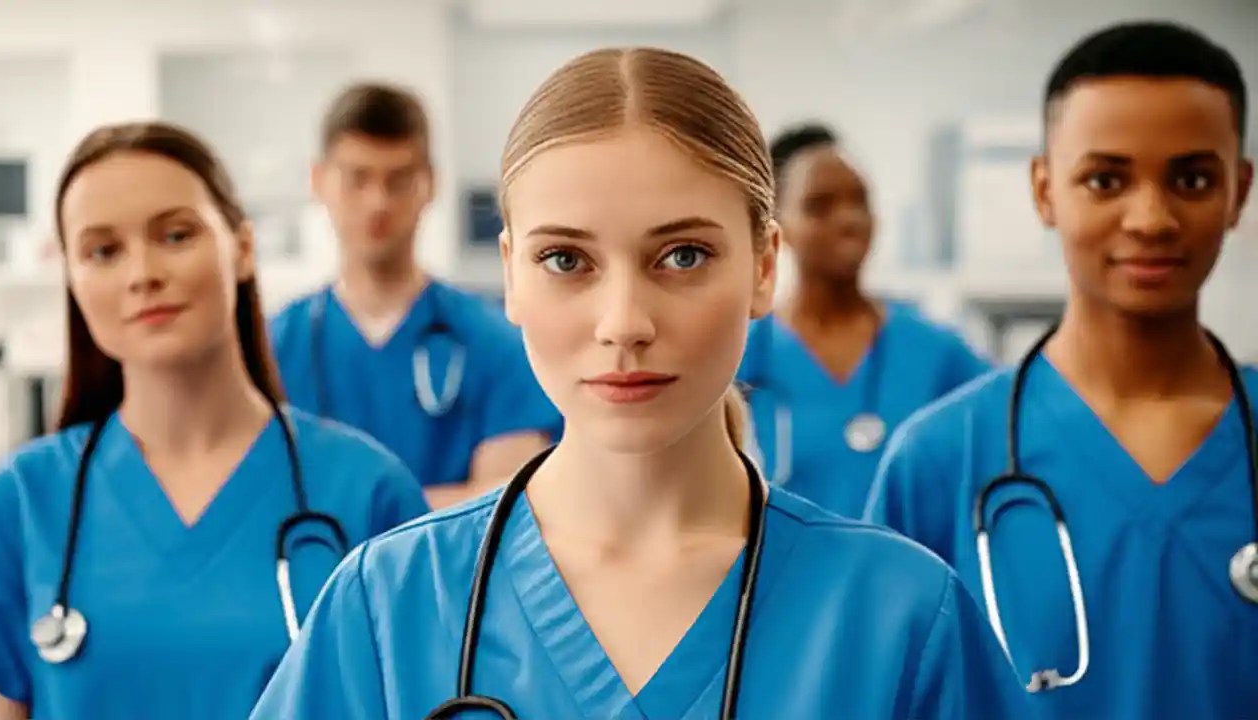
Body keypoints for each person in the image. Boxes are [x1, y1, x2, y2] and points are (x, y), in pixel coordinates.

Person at [249, 47, 1031, 720]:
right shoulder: (387, 607)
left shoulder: (900, 617)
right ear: (512, 275)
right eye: (566, 260)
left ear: (764, 267)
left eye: (683, 256)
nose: (624, 322)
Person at [864, 21, 1255, 719]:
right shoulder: (939, 461)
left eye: (1192, 179)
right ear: (1044, 190)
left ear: (1239, 192)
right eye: (1106, 180)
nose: (1151, 218)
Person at [0, 122, 430, 720]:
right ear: (72, 279)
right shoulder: (17, 503)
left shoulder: (369, 491)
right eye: (103, 251)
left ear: (241, 248)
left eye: (175, 235)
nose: (142, 273)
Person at [268, 82, 561, 509]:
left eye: (399, 180)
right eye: (357, 178)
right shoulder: (275, 347)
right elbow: (259, 499)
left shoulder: (496, 343)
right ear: (319, 181)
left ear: (430, 183)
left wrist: (349, 512)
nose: (378, 202)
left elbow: (507, 506)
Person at [738, 123, 990, 516]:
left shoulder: (934, 352)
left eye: (859, 201)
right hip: (780, 556)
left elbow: (1012, 428)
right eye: (820, 206)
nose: (848, 219)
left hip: (909, 557)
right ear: (777, 228)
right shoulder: (743, 354)